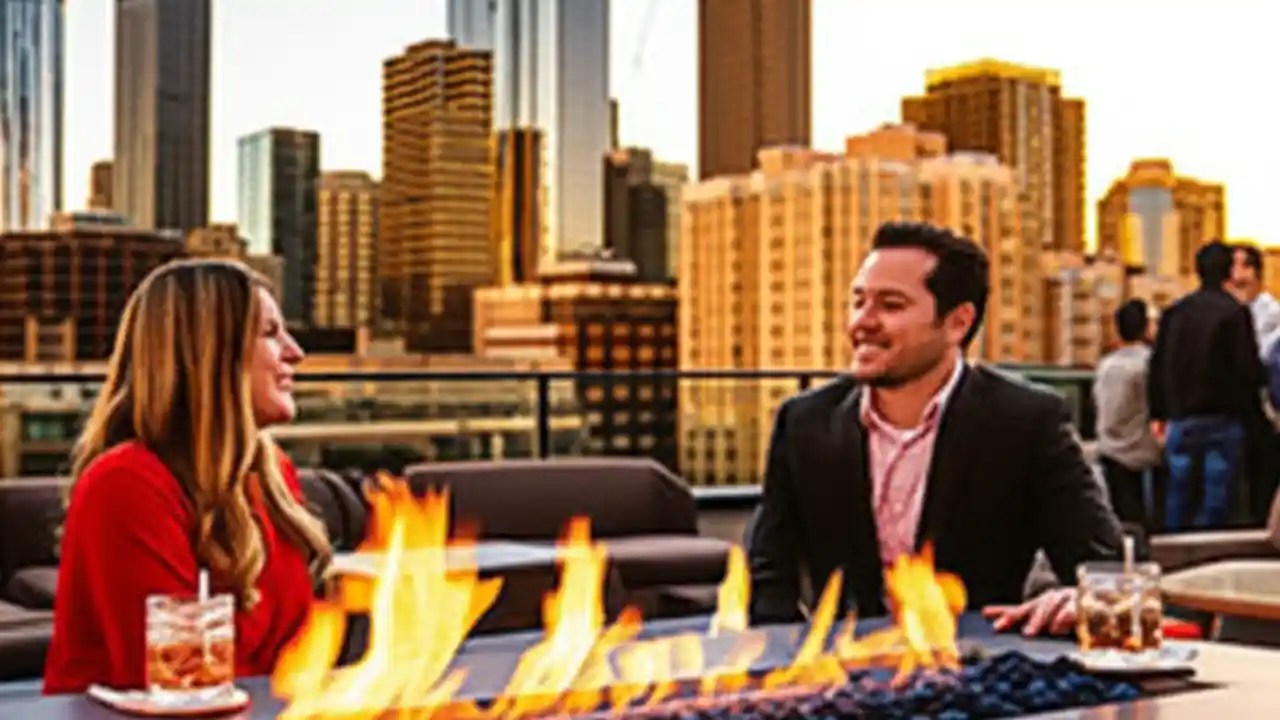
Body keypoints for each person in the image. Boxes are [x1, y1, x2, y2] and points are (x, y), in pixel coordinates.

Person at [746, 221, 1122, 637]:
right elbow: (767, 574)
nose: (862, 322)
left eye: (890, 305)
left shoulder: (1026, 420)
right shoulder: (805, 422)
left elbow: (1103, 567)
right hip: (843, 666)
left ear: (958, 322)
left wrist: (1078, 597)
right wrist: (786, 654)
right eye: (858, 302)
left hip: (979, 662)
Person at [43, 259, 332, 694]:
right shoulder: (126, 484)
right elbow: (174, 681)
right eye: (271, 334)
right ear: (211, 355)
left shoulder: (270, 475)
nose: (295, 352)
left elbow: (296, 657)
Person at [1148, 241, 1267, 531]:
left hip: (1181, 419)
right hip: (1222, 419)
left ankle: (1175, 548)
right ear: (1228, 271)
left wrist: (1159, 412)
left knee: (1178, 494)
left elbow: (1157, 365)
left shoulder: (1175, 313)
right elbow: (1248, 369)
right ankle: (1208, 549)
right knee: (1217, 497)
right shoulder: (1234, 313)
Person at [1093, 299, 1165, 529]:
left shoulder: (1105, 366)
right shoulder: (1149, 365)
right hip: (1142, 455)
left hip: (1110, 452)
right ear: (1146, 327)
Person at [1229, 242, 1280, 524]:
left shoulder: (1271, 313)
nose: (1237, 275)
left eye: (1243, 266)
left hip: (1263, 414)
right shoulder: (1229, 311)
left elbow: (1261, 359)